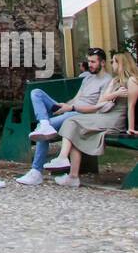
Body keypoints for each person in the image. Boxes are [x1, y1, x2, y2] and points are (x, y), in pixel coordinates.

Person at [16, 48, 110, 186]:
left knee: (41, 131)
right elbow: (76, 98)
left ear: (102, 63)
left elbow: (98, 107)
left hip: (82, 114)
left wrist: (71, 108)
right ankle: (44, 122)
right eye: (88, 61)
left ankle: (36, 171)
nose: (90, 64)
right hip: (70, 109)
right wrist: (64, 105)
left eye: (93, 62)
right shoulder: (88, 78)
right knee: (36, 93)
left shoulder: (107, 81)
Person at [43, 50, 137, 187]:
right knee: (73, 126)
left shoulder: (132, 81)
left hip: (114, 119)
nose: (112, 65)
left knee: (72, 121)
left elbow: (132, 106)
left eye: (114, 62)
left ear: (122, 63)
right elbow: (102, 99)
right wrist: (115, 93)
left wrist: (131, 128)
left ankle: (63, 159)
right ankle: (72, 175)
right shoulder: (115, 80)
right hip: (103, 115)